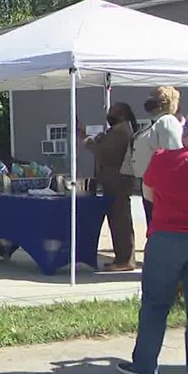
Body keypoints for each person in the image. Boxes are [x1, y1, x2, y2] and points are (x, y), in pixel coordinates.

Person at [118, 109, 188, 374]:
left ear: (185, 132)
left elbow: (148, 194)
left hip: (165, 237)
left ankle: (144, 364)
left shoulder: (163, 159)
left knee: (155, 304)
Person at [78, 102, 138, 271]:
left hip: (118, 183)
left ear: (122, 115)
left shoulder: (122, 132)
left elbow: (106, 152)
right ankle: (122, 258)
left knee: (121, 222)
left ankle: (125, 260)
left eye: (114, 112)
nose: (109, 114)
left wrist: (88, 142)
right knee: (116, 221)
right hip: (111, 183)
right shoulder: (116, 131)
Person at [128, 87, 184, 227]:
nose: (148, 100)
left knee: (159, 225)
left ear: (163, 102)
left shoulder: (167, 122)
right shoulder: (153, 123)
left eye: (152, 98)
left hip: (161, 186)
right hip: (149, 183)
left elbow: (173, 154)